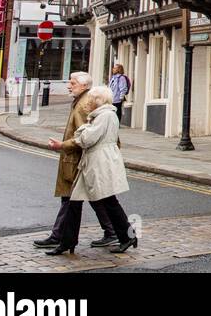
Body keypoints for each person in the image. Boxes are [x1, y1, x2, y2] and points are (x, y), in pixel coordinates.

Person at [33, 72, 117, 252]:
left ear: (85, 86)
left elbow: (84, 136)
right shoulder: (81, 101)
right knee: (92, 199)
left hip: (78, 161)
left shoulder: (84, 105)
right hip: (78, 160)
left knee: (73, 199)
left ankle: (61, 237)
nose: (69, 85)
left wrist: (62, 145)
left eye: (73, 83)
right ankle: (112, 232)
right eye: (70, 82)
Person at [49, 85, 137, 255]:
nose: (88, 102)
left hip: (100, 163)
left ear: (98, 101)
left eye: (91, 99)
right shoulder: (101, 115)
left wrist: (81, 130)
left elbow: (87, 139)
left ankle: (126, 236)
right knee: (76, 201)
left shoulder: (105, 116)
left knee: (109, 202)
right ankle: (67, 242)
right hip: (92, 163)